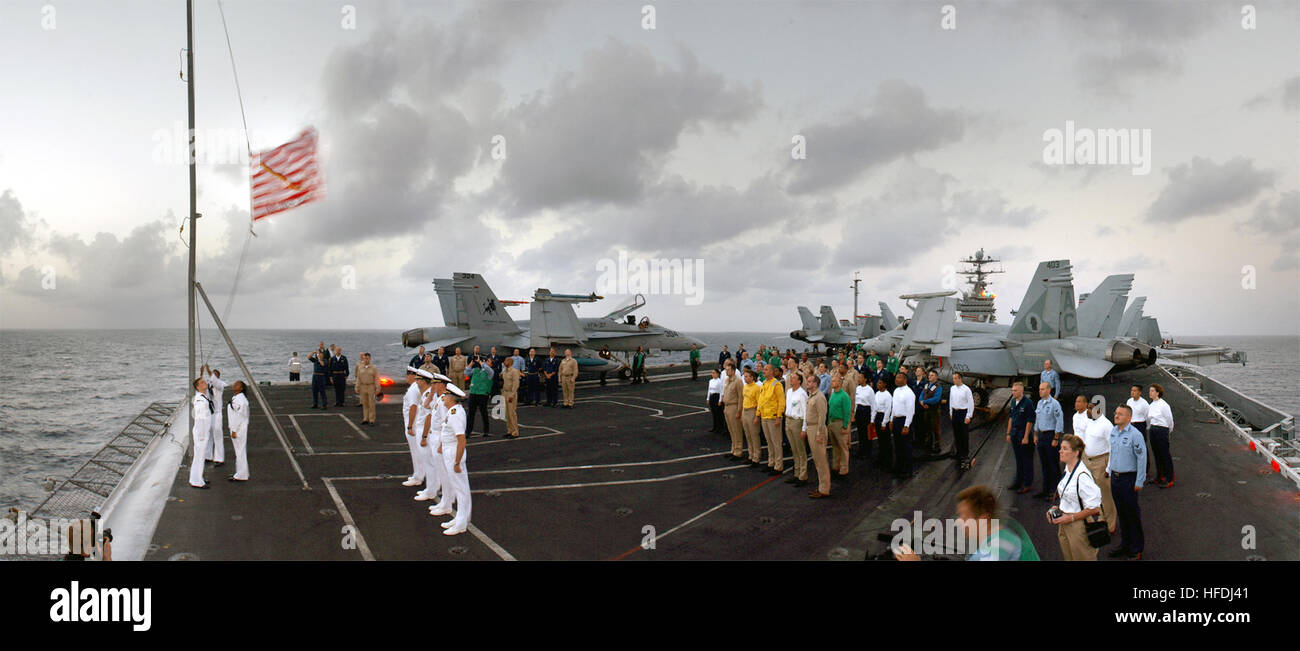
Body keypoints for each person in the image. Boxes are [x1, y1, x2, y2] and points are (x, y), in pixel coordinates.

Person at [894, 485, 1040, 561]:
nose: (958, 522)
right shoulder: (1007, 527)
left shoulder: (999, 547)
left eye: (964, 517)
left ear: (983, 519)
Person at [1050, 435, 1102, 560]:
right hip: (1065, 523)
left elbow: (1095, 508)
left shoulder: (1082, 476)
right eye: (1061, 448)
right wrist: (1056, 509)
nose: (1060, 451)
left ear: (1076, 453)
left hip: (1078, 526)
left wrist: (1070, 518)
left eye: (1064, 449)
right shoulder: (1068, 470)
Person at [1106, 404, 1147, 560]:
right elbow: (1112, 454)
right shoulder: (1114, 432)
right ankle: (1125, 544)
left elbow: (1142, 458)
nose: (1116, 416)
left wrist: (1139, 481)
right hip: (1115, 479)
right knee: (1122, 514)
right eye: (1116, 413)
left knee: (1132, 514)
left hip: (1129, 479)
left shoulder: (1135, 435)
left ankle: (1137, 548)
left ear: (1129, 418)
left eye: (1120, 414)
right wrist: (1109, 471)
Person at [1073, 397, 1116, 533]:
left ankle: (1110, 523)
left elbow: (1113, 447)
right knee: (1091, 493)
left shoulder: (1106, 425)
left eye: (1090, 408)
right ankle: (1098, 518)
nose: (1088, 411)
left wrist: (1109, 468)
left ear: (1098, 410)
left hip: (1100, 462)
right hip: (1088, 460)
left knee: (1105, 495)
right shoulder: (1090, 422)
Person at [434, 385, 472, 536]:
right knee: (458, 488)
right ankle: (460, 518)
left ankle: (461, 523)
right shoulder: (453, 411)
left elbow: (461, 440)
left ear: (451, 398)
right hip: (450, 450)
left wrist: (457, 462)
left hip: (454, 451)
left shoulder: (455, 414)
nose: (443, 397)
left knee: (461, 489)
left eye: (446, 395)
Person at [1033, 381, 1064, 500]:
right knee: (1044, 465)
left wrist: (1056, 438)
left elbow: (1059, 421)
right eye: (1039, 389)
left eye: (1042, 389)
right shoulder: (1040, 403)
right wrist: (1035, 434)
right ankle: (1045, 490)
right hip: (1041, 436)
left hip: (1051, 436)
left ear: (1048, 390)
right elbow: (1037, 420)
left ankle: (1056, 491)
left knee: (1053, 465)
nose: (1040, 391)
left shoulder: (1055, 404)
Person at [802, 375, 831, 498]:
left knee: (821, 460)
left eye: (809, 382)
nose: (807, 383)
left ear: (815, 384)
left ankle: (824, 489)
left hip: (816, 429)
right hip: (811, 428)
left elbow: (822, 416)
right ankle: (821, 486)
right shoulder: (812, 396)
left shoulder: (819, 397)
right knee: (817, 460)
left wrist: (820, 433)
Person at [1006, 381, 1036, 494]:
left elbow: (1030, 421)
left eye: (1015, 390)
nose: (1013, 392)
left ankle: (1027, 484)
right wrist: (1008, 433)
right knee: (1018, 460)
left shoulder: (1028, 403)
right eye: (1012, 390)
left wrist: (1026, 436)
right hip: (1015, 433)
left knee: (1027, 460)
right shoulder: (1013, 402)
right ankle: (1018, 482)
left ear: (1021, 391)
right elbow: (1011, 418)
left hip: (1023, 433)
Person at [757, 364, 786, 475]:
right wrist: (758, 413)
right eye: (763, 370)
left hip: (773, 417)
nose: (764, 371)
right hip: (764, 416)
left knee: (776, 442)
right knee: (769, 442)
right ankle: (771, 463)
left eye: (766, 369)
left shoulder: (776, 384)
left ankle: (778, 466)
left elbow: (781, 401)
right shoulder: (764, 383)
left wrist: (779, 416)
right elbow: (761, 400)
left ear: (772, 372)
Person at [401, 367, 426, 487]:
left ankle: (418, 476)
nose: (406, 377)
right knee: (416, 451)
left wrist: (410, 426)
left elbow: (413, 407)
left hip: (413, 422)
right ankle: (418, 474)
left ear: (412, 376)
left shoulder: (413, 389)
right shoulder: (416, 388)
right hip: (415, 422)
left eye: (408, 375)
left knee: (415, 451)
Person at [783, 371, 809, 486]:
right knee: (793, 449)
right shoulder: (789, 392)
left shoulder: (802, 394)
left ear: (799, 381)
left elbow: (805, 412)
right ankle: (796, 472)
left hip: (797, 421)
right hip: (788, 420)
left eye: (793, 378)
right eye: (791, 378)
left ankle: (803, 475)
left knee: (800, 449)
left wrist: (804, 428)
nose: (791, 380)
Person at [1147, 384, 1175, 488]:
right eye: (1150, 391)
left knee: (1165, 454)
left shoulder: (1164, 405)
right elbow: (1149, 419)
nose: (1150, 393)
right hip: (1153, 429)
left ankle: (1169, 478)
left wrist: (1168, 430)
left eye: (1152, 391)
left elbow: (1169, 419)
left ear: (1158, 392)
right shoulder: (1151, 405)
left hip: (1162, 429)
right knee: (1156, 454)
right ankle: (1160, 476)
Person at [890, 372, 916, 478]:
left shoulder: (909, 393)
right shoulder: (896, 391)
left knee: (906, 446)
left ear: (905, 380)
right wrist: (891, 420)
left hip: (905, 421)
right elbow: (894, 406)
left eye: (899, 378)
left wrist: (906, 425)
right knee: (898, 446)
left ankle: (908, 470)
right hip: (896, 420)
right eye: (896, 378)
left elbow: (910, 410)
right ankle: (898, 467)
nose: (896, 379)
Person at [189, 377, 213, 489]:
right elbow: (199, 418)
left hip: (202, 431)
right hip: (201, 432)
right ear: (198, 387)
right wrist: (202, 435)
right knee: (199, 457)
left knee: (199, 457)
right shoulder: (200, 400)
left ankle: (196, 478)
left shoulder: (203, 396)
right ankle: (197, 481)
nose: (205, 383)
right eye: (202, 382)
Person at [827, 374, 852, 478]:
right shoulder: (833, 394)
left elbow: (847, 411)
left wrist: (845, 426)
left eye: (833, 381)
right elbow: (830, 409)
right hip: (832, 423)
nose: (832, 383)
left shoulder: (844, 396)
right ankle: (835, 466)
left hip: (840, 422)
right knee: (835, 447)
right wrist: (828, 422)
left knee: (843, 447)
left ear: (839, 383)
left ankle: (844, 469)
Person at [721, 362, 746, 462]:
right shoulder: (727, 380)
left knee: (736, 430)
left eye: (728, 370)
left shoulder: (738, 381)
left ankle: (738, 451)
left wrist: (739, 411)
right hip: (727, 406)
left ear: (733, 370)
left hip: (734, 406)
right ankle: (733, 449)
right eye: (726, 370)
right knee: (731, 430)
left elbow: (741, 397)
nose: (726, 371)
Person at [948, 372, 974, 470]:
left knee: (964, 435)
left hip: (963, 413)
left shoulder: (966, 389)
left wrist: (968, 416)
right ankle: (958, 452)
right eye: (953, 378)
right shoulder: (952, 388)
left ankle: (965, 455)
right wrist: (951, 412)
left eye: (955, 378)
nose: (954, 380)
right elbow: (951, 400)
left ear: (960, 379)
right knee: (957, 434)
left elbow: (970, 403)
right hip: (955, 412)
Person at [203, 364, 226, 465]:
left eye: (215, 375)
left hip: (217, 413)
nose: (213, 377)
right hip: (210, 413)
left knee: (218, 435)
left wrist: (208, 370)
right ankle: (208, 455)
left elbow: (215, 381)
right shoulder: (209, 385)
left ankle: (219, 458)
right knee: (209, 434)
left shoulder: (220, 384)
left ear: (218, 377)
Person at [227, 380, 250, 482]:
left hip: (239, 428)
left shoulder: (241, 400)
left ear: (241, 388)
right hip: (237, 427)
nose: (234, 384)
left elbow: (239, 417)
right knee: (239, 451)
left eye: (237, 384)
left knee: (240, 451)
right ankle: (241, 473)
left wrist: (234, 430)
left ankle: (241, 475)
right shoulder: (237, 398)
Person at [1126, 384, 1151, 474]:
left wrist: (1146, 427)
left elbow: (1148, 416)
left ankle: (1145, 469)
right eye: (1132, 390)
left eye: (1135, 391)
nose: (1132, 392)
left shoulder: (1144, 403)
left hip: (1140, 425)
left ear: (1139, 392)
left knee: (1141, 447)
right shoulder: (1129, 401)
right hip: (1130, 425)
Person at [740, 369, 763, 466]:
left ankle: (756, 457)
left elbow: (759, 403)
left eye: (747, 376)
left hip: (752, 411)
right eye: (744, 376)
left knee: (754, 435)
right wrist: (742, 414)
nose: (745, 378)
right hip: (745, 411)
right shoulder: (745, 387)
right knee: (748, 435)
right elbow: (743, 401)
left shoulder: (757, 388)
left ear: (752, 377)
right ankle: (751, 455)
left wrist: (757, 416)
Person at [466, 359, 493, 436]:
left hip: (483, 394)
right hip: (473, 393)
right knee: (471, 413)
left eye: (489, 362)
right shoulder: (476, 369)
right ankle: (468, 431)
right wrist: (471, 363)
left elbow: (487, 368)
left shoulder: (490, 372)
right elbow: (466, 372)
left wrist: (481, 362)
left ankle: (486, 430)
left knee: (484, 413)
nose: (486, 363)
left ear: (491, 365)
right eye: (486, 361)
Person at [918, 370, 942, 454]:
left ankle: (937, 446)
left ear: (936, 377)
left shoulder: (938, 387)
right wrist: (921, 401)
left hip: (934, 410)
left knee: (935, 428)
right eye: (929, 375)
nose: (930, 377)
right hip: (926, 410)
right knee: (927, 427)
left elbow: (936, 398)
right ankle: (928, 444)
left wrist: (925, 402)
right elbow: (921, 395)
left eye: (932, 375)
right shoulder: (926, 385)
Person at [871, 378, 893, 468]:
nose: (878, 385)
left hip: (884, 417)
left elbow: (888, 410)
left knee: (886, 441)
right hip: (878, 416)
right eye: (877, 383)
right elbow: (875, 407)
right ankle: (881, 458)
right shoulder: (877, 394)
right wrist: (872, 419)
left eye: (880, 383)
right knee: (880, 440)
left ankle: (888, 461)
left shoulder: (888, 396)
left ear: (885, 384)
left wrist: (884, 423)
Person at [853, 374, 875, 461]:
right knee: (860, 431)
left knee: (867, 433)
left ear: (865, 379)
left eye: (860, 377)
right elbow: (856, 401)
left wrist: (872, 418)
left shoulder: (870, 390)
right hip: (859, 410)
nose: (859, 379)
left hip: (866, 410)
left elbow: (873, 405)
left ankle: (868, 451)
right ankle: (861, 450)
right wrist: (854, 413)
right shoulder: (858, 388)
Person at [355, 352, 379, 425]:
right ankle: (365, 418)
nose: (366, 360)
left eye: (367, 358)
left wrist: (378, 388)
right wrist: (357, 386)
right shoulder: (360, 368)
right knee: (365, 403)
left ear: (370, 359)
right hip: (363, 386)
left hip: (371, 386)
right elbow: (358, 378)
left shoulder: (373, 368)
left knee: (371, 403)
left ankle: (371, 419)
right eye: (365, 358)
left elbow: (376, 378)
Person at [501, 357, 522, 438]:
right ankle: (509, 430)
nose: (504, 362)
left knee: (512, 413)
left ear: (510, 362)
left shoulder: (514, 371)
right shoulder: (505, 371)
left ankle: (515, 432)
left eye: (506, 360)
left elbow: (516, 384)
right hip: (505, 392)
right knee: (507, 414)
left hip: (510, 393)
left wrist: (512, 395)